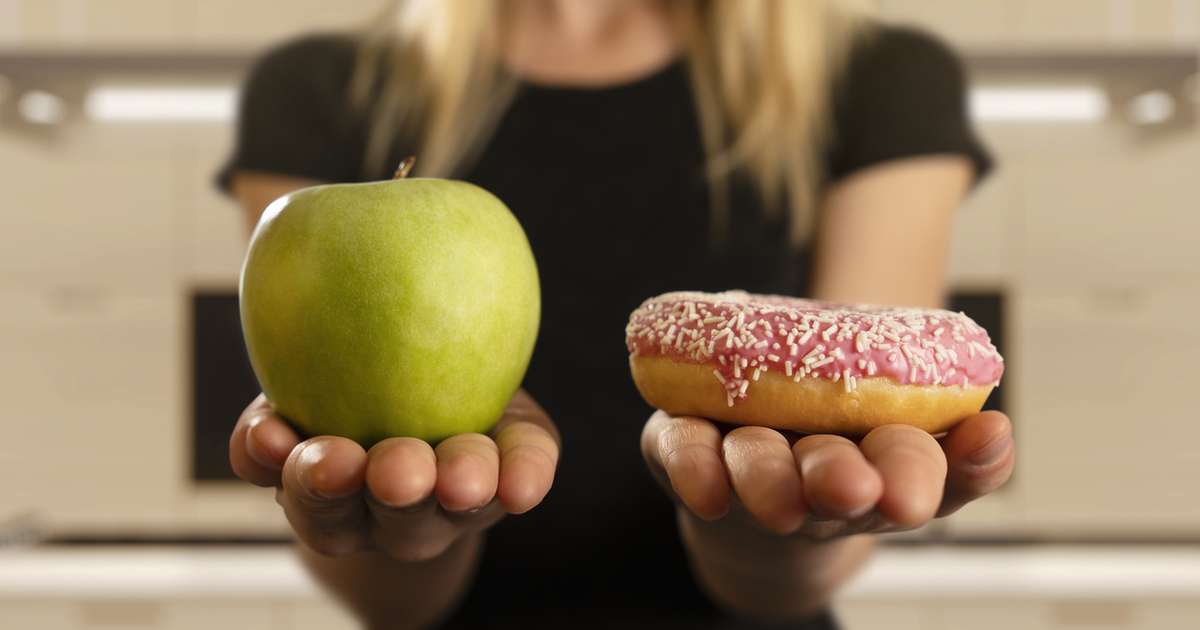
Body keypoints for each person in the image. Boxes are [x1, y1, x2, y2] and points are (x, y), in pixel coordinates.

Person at [220, 1, 1015, 628]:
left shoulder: (879, 77)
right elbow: (383, 599)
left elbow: (860, 419)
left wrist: (764, 536)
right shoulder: (318, 89)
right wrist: (407, 532)